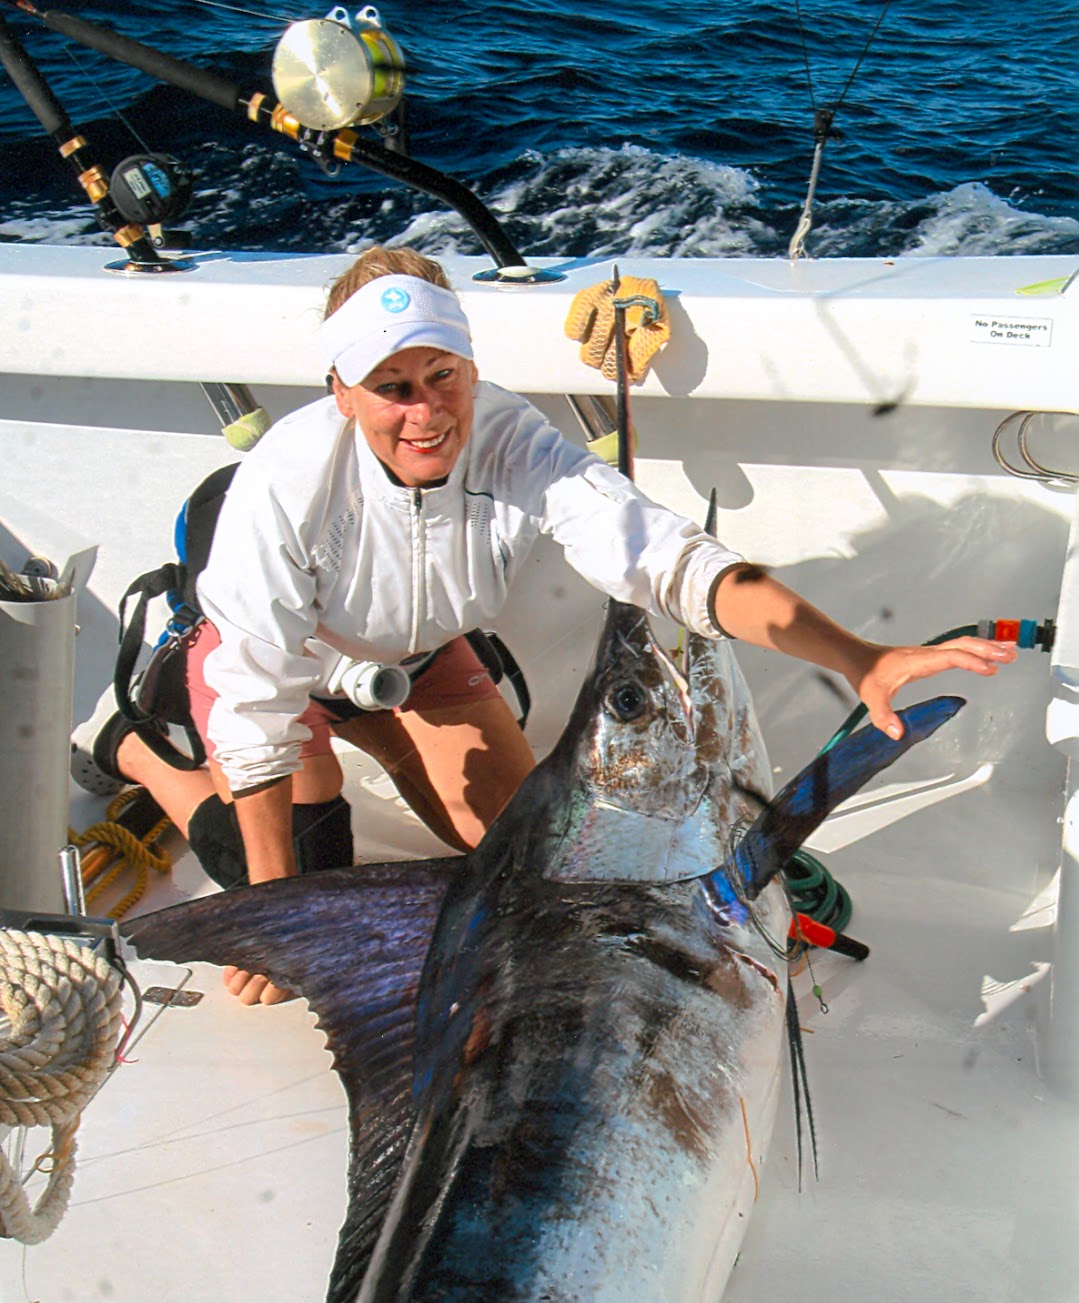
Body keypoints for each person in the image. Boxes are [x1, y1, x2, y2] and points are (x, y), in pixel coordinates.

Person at [75, 245, 1015, 1005]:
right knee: (300, 896)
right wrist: (274, 913)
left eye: (441, 375)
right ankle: (138, 750)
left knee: (533, 867)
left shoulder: (508, 436)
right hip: (285, 673)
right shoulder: (288, 481)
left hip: (421, 659)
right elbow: (255, 715)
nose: (422, 409)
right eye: (389, 386)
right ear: (341, 389)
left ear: (471, 368)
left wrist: (853, 653)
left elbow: (668, 558)